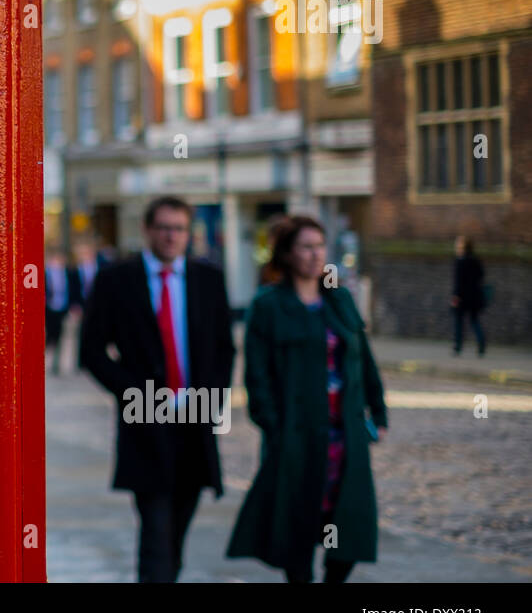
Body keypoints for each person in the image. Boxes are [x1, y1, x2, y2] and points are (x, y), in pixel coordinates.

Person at [79, 196, 236, 582]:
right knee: (155, 532)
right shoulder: (117, 280)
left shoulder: (208, 280)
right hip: (145, 421)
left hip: (195, 421)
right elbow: (91, 351)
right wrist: (132, 393)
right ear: (147, 230)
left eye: (179, 229)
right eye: (164, 228)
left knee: (177, 533)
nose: (171, 236)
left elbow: (224, 349)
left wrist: (212, 400)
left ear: (189, 233)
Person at [226, 215, 389, 583]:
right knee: (296, 524)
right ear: (287, 253)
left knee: (350, 523)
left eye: (320, 246)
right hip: (296, 437)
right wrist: (275, 427)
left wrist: (378, 414)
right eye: (306, 247)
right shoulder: (268, 305)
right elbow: (257, 377)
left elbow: (363, 358)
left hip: (345, 436)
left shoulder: (339, 299)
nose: (316, 254)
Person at [450, 236, 486, 357]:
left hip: (462, 297)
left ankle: (457, 346)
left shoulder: (460, 261)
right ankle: (481, 344)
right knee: (474, 321)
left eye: (458, 245)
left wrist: (455, 296)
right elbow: (481, 275)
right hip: (474, 296)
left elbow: (458, 281)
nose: (457, 247)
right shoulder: (475, 260)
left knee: (459, 322)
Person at [44, 249, 72, 376]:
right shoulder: (45, 273)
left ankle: (57, 363)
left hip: (62, 307)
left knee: (60, 335)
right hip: (49, 308)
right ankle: (45, 360)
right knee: (50, 335)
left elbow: (72, 289)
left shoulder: (67, 273)